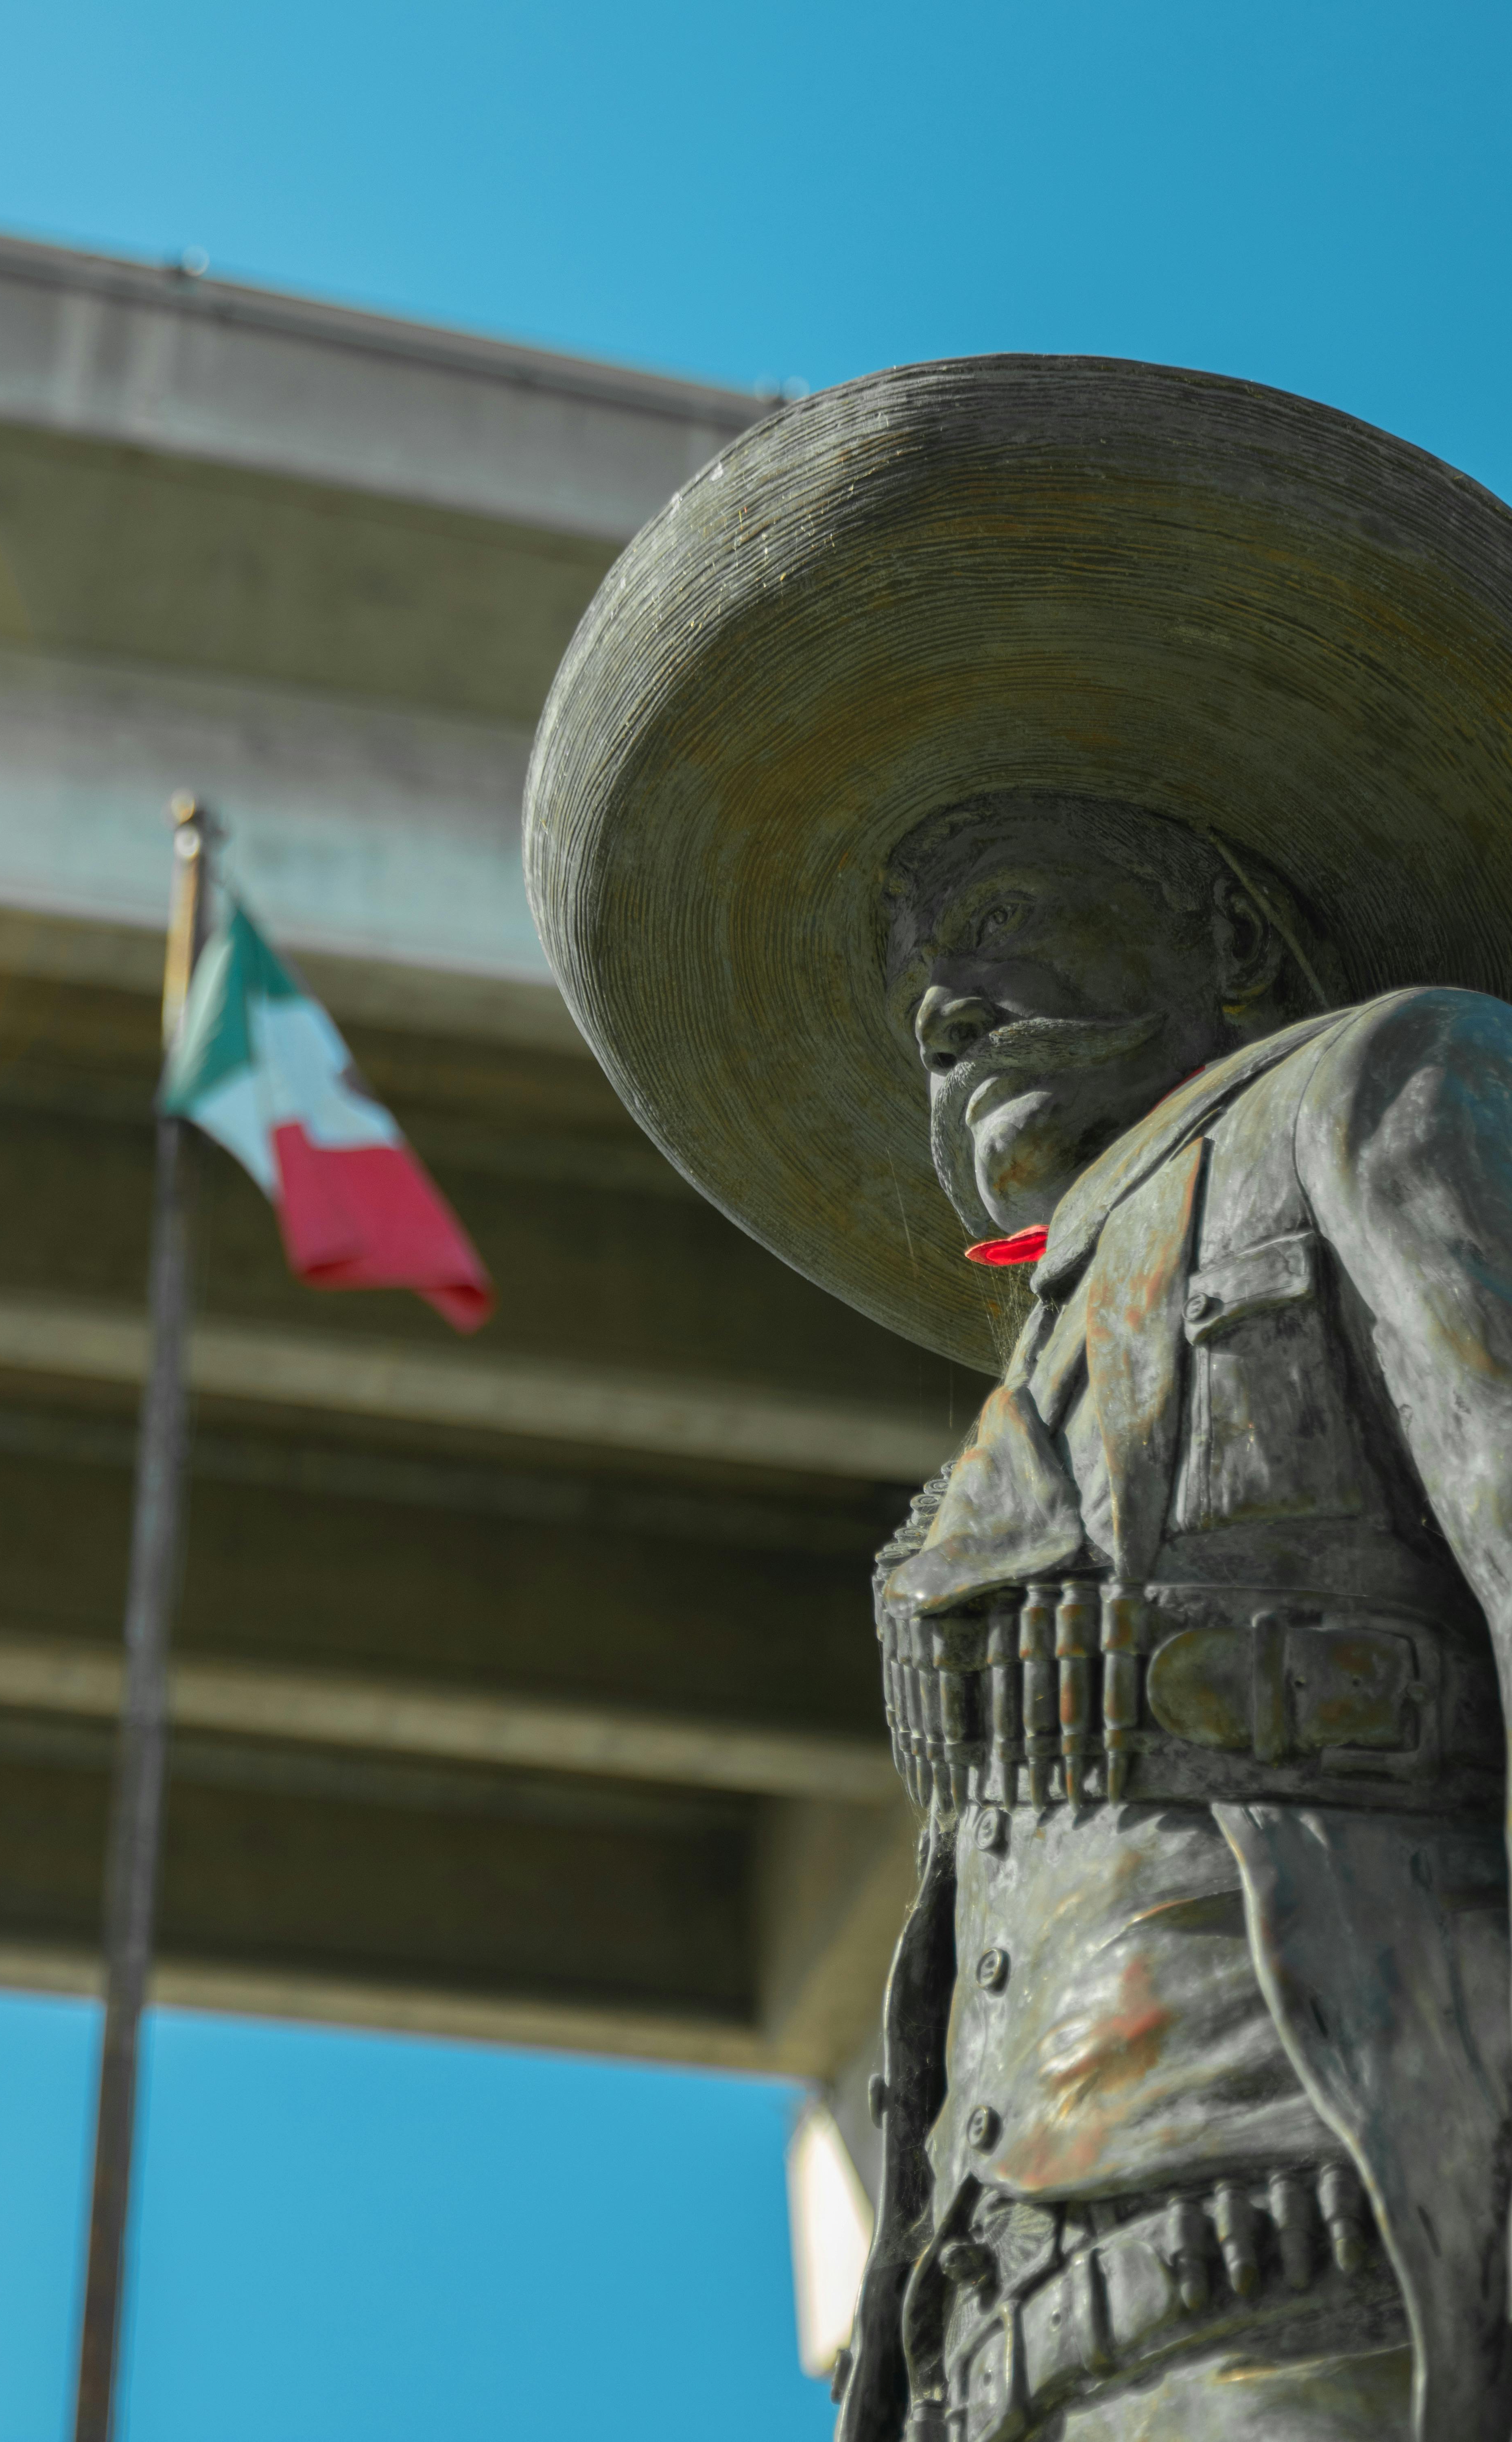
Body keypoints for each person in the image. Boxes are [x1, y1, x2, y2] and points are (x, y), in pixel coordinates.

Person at [522, 356, 1512, 2441]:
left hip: (1330, 2262)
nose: (937, 999)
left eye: (996, 916)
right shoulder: (1021, 1383)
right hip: (1014, 2346)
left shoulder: (1376, 1091)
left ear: (1231, 935)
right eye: (906, 959)